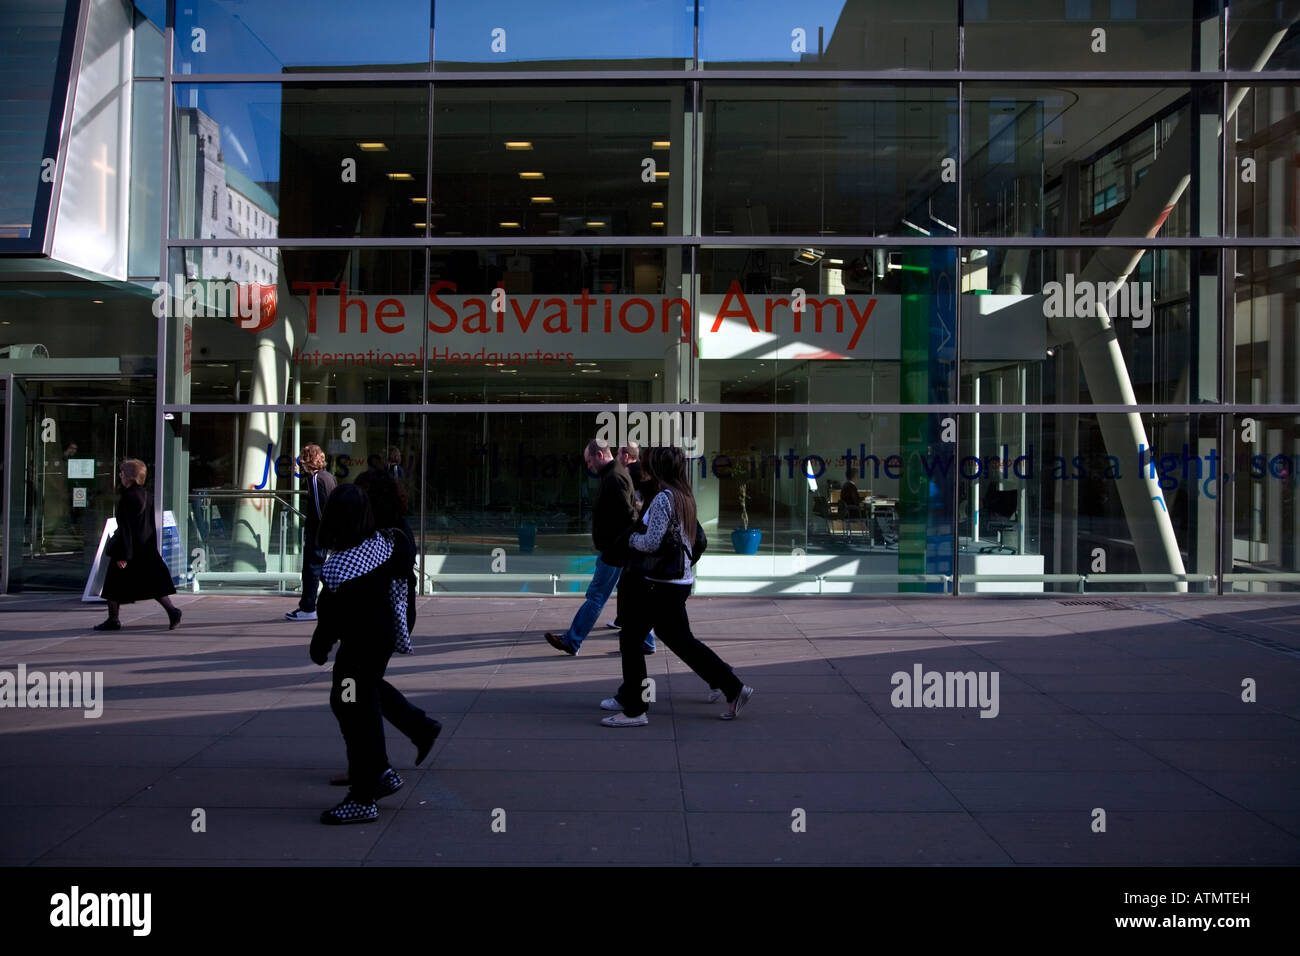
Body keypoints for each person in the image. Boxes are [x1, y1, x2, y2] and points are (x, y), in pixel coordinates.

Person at [309, 484, 441, 825]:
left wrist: (319, 650)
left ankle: (364, 794)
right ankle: (382, 770)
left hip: (358, 646)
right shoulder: (382, 546)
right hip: (379, 641)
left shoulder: (339, 567)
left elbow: (329, 619)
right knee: (356, 700)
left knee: (355, 710)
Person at [600, 446, 753, 727]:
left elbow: (652, 542)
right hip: (678, 581)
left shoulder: (663, 498)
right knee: (680, 639)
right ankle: (733, 687)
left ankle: (634, 709)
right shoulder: (684, 496)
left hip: (660, 584)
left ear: (659, 469)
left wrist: (630, 540)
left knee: (632, 639)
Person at [544, 438, 654, 656]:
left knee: (596, 596)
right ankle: (647, 642)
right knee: (631, 597)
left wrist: (621, 545)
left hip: (615, 552)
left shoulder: (614, 478)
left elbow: (629, 516)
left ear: (600, 455)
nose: (589, 466)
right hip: (617, 550)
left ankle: (572, 641)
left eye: (589, 461)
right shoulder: (615, 474)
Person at [94, 459, 181, 631]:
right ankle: (172, 610)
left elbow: (126, 528)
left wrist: (123, 555)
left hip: (129, 548)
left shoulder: (128, 497)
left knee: (112, 584)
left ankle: (113, 619)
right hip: (145, 548)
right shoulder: (147, 495)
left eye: (121, 473)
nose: (120, 476)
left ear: (128, 477)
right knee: (153, 584)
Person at [285, 443, 336, 621]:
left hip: (318, 532)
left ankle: (307, 607)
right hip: (327, 531)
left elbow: (319, 507)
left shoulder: (315, 480)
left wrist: (323, 531)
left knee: (311, 569)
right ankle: (333, 602)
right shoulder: (328, 477)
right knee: (321, 569)